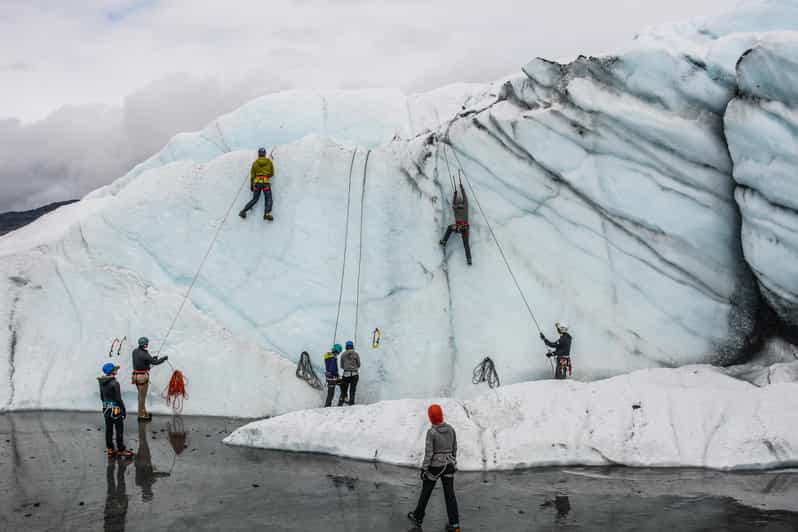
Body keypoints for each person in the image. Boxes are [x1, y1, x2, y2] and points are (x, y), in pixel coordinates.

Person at [408, 404, 460, 532]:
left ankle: (418, 516)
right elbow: (454, 448)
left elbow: (429, 453)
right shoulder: (451, 429)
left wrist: (424, 469)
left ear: (431, 417)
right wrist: (452, 460)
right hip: (449, 465)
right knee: (450, 495)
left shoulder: (431, 432)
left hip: (435, 467)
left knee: (426, 491)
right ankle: (454, 524)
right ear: (441, 415)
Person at [98, 362, 134, 458]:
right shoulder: (115, 383)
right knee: (119, 429)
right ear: (112, 371)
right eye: (115, 369)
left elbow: (102, 397)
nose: (116, 370)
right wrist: (123, 410)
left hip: (106, 409)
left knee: (109, 429)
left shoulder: (101, 382)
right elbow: (118, 399)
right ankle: (121, 449)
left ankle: (110, 449)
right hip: (116, 409)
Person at [131, 337, 168, 421]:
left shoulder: (135, 351)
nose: (147, 344)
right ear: (145, 344)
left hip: (135, 376)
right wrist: (163, 359)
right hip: (142, 377)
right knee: (142, 397)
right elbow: (155, 362)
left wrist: (151, 359)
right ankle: (141, 415)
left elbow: (143, 360)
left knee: (140, 396)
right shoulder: (145, 354)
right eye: (147, 343)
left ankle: (143, 412)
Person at [239, 147, 275, 221]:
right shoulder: (269, 162)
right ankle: (267, 213)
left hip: (257, 183)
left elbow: (252, 176)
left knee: (255, 199)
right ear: (265, 154)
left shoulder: (255, 163)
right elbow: (272, 173)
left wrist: (252, 185)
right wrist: (266, 174)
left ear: (258, 154)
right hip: (265, 183)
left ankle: (243, 211)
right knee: (268, 198)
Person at [440, 183, 472, 266]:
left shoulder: (455, 208)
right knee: (466, 244)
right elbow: (465, 199)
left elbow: (453, 203)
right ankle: (469, 259)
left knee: (450, 228)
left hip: (458, 227)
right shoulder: (465, 207)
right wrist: (462, 188)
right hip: (465, 228)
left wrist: (455, 194)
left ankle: (444, 241)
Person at [338, 340, 361, 406]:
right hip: (355, 374)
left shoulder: (343, 355)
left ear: (346, 347)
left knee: (344, 390)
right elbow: (359, 364)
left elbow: (341, 366)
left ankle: (340, 403)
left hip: (346, 374)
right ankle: (351, 403)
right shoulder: (356, 354)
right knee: (352, 390)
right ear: (352, 346)